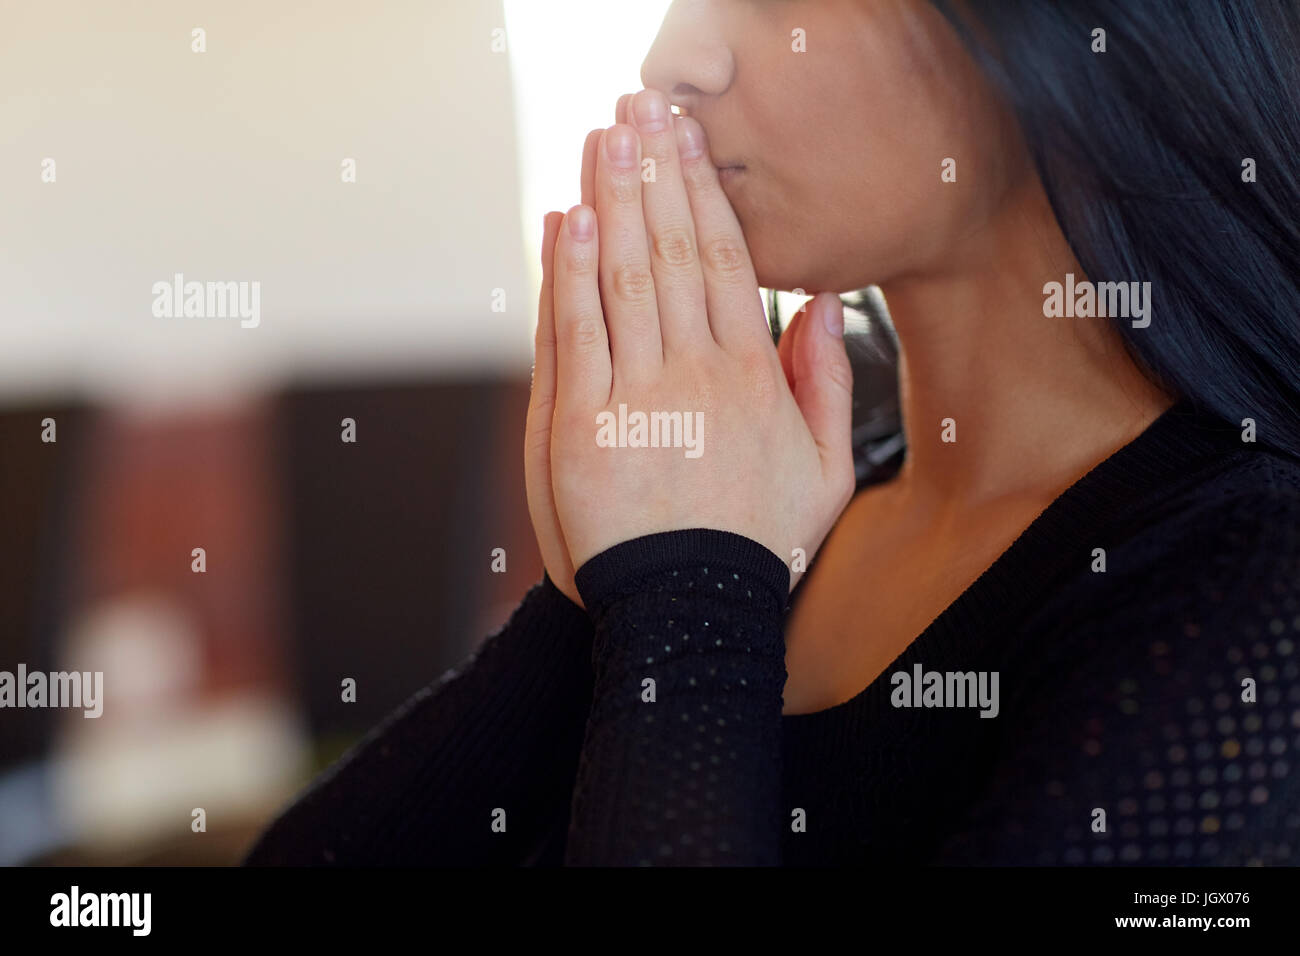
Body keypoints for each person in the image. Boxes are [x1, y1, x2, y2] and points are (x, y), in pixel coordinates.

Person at [244, 0, 1300, 866]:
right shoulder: (774, 504)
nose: (672, 57)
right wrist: (594, 605)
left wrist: (686, 595)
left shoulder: (1253, 590)